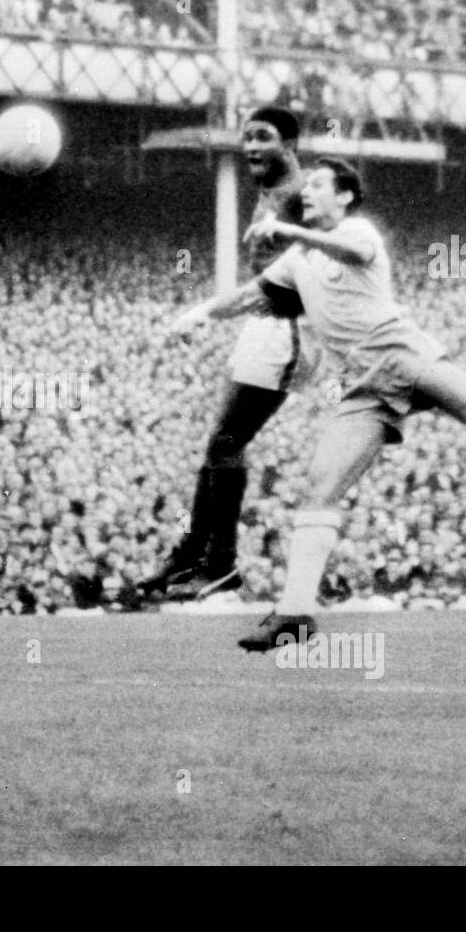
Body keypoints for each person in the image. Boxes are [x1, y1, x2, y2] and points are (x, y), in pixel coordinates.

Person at [177, 159, 466, 651]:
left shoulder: (356, 229)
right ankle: (295, 615)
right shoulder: (298, 258)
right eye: (307, 187)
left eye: (319, 185)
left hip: (401, 356)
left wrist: (286, 228)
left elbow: (352, 249)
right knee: (318, 489)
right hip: (362, 384)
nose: (308, 192)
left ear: (344, 196)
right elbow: (251, 294)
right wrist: (200, 313)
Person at [141, 106, 319, 602]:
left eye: (263, 138)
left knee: (227, 442)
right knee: (217, 446)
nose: (251, 147)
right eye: (246, 139)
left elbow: (298, 272)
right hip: (265, 324)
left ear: (290, 144)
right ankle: (192, 552)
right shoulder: (270, 190)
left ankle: (220, 563)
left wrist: (206, 311)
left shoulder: (303, 195)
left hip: (289, 327)